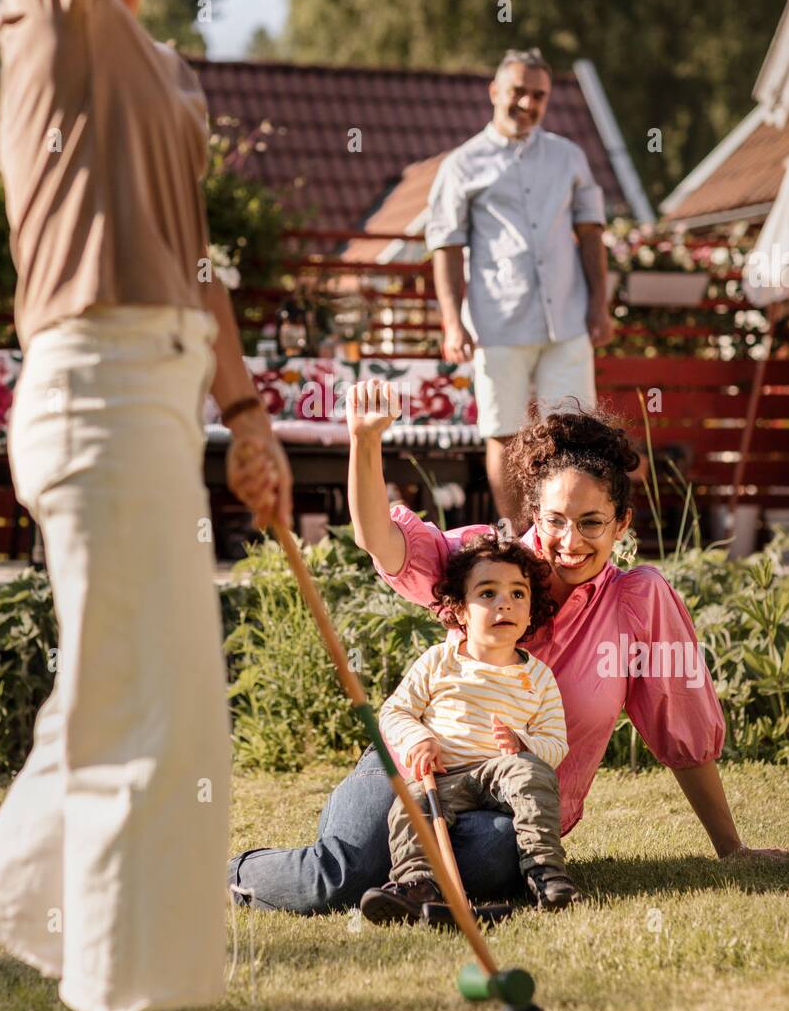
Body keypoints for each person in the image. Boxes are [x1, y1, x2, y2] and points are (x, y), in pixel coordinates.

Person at [0, 0, 291, 1011]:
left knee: (135, 702)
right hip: (88, 386)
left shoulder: (164, 67)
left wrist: (246, 415)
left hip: (160, 387)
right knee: (134, 710)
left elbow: (200, 255)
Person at [227, 382, 787, 915]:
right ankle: (227, 873)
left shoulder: (637, 602)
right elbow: (383, 541)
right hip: (418, 767)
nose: (570, 543)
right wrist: (365, 441)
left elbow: (680, 725)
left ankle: (409, 882)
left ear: (622, 522)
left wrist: (730, 849)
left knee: (499, 853)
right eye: (555, 521)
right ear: (533, 516)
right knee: (340, 879)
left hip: (510, 809)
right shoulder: (487, 565)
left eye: (591, 523)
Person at [428, 47, 614, 529]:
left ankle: (569, 538)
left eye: (539, 95)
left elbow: (591, 234)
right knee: (504, 433)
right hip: (498, 322)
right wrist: (451, 321)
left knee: (575, 434)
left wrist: (600, 305)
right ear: (495, 91)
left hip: (568, 319)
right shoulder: (461, 165)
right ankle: (517, 543)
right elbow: (445, 247)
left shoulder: (569, 157)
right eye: (518, 92)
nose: (528, 103)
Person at [360, 532, 580, 925]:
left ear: (530, 610)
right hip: (444, 775)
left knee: (531, 773)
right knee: (411, 805)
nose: (504, 604)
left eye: (517, 594)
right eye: (488, 593)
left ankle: (545, 871)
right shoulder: (439, 661)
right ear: (459, 610)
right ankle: (417, 883)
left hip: (500, 771)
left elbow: (556, 742)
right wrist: (419, 739)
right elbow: (395, 711)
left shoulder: (538, 676)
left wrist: (523, 743)